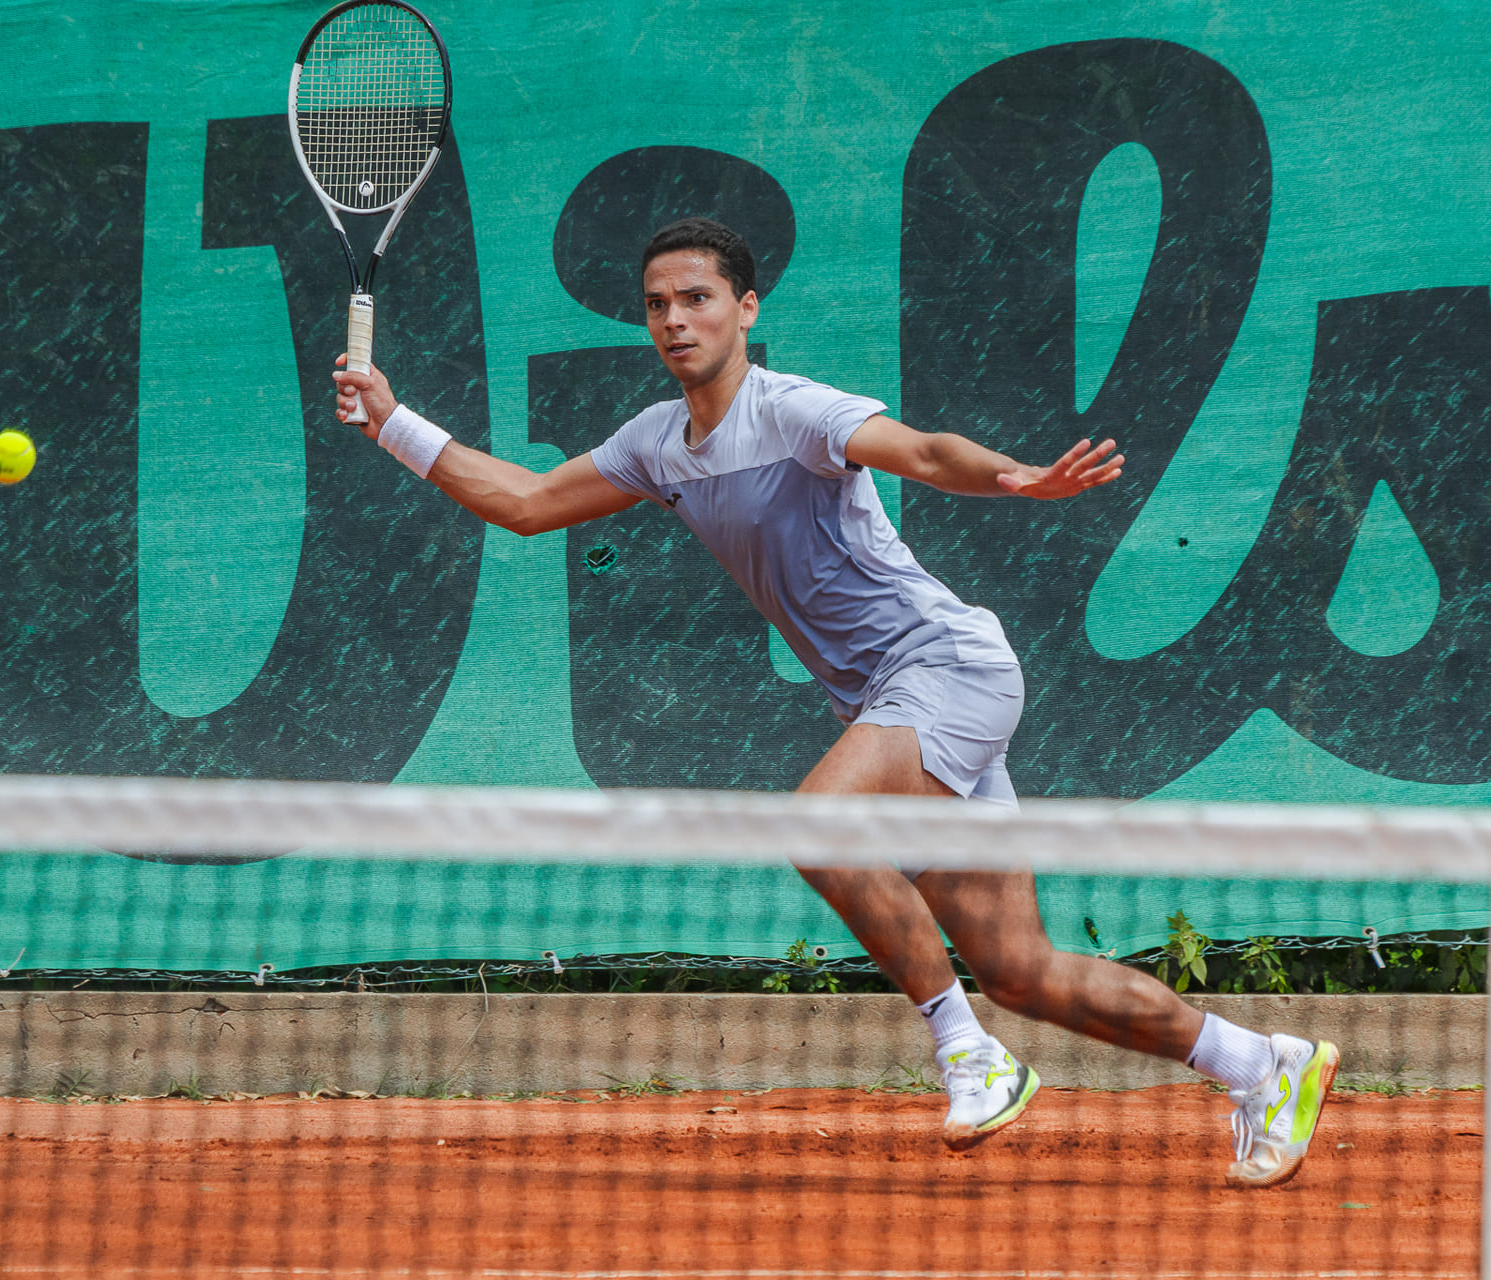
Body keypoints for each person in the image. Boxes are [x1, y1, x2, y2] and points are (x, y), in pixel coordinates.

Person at [332, 216, 1338, 1188]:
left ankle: (968, 1052)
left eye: (697, 298)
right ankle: (1261, 1064)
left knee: (818, 821)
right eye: (655, 305)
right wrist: (392, 422)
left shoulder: (797, 411)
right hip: (895, 699)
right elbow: (524, 501)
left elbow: (927, 450)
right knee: (1024, 969)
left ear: (744, 308)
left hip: (945, 667)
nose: (675, 319)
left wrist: (1017, 478)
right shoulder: (656, 443)